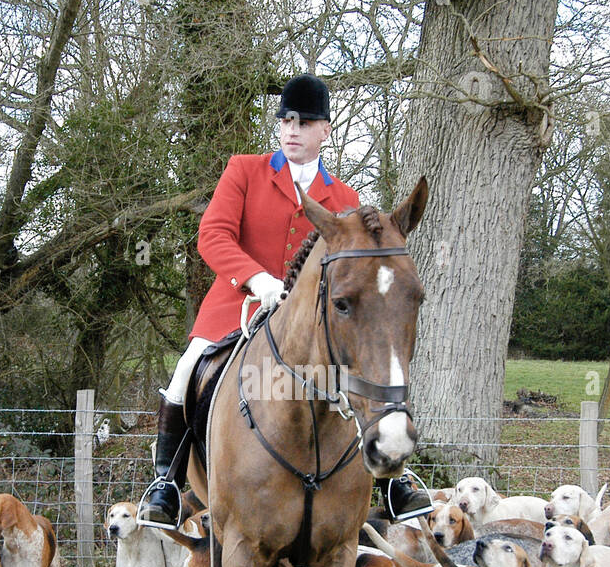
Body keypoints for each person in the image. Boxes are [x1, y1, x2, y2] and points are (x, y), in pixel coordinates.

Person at [139, 74, 431, 527]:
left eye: (305, 121)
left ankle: (393, 476)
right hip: (238, 305)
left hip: (309, 321)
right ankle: (165, 484)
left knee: (360, 371)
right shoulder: (245, 170)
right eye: (286, 120)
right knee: (186, 370)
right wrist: (257, 279)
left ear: (325, 130)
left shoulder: (344, 198)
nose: (292, 129)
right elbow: (212, 235)